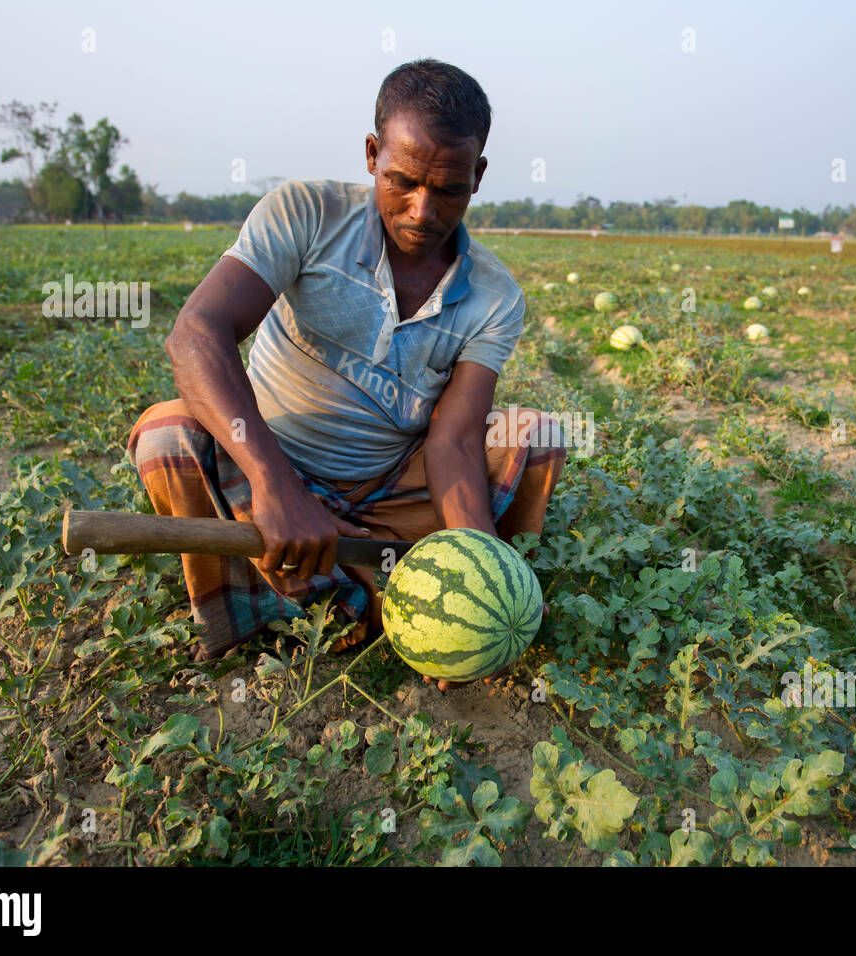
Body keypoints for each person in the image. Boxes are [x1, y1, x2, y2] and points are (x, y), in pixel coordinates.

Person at [127, 59, 566, 689]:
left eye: (448, 189)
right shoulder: (305, 214)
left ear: (478, 177)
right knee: (169, 438)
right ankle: (342, 581)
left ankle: (361, 589)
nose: (422, 210)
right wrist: (277, 484)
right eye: (403, 182)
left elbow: (454, 439)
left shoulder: (494, 296)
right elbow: (196, 335)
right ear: (371, 155)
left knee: (531, 438)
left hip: (390, 487)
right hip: (269, 466)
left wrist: (473, 590)